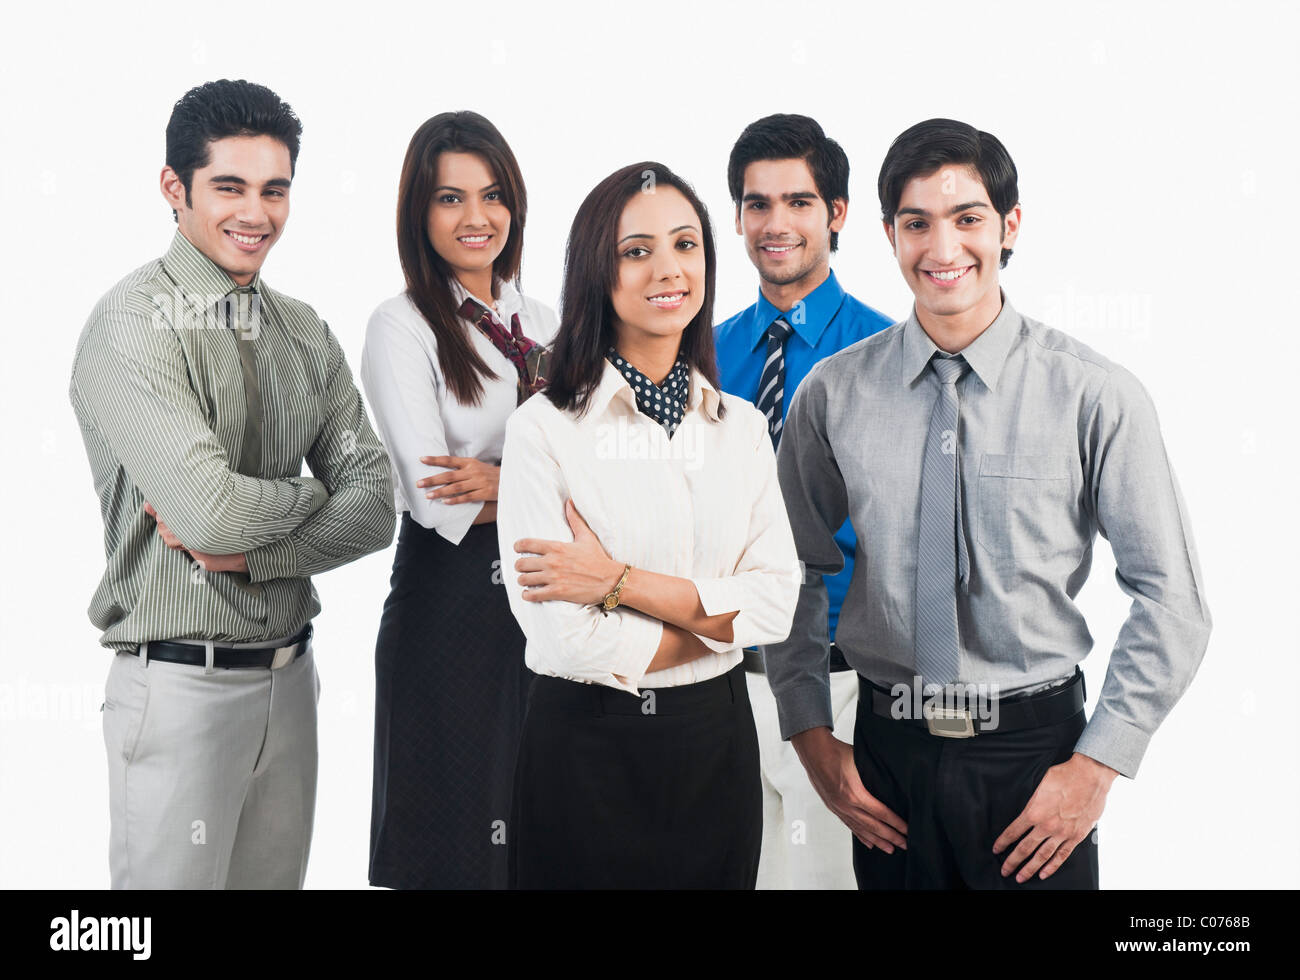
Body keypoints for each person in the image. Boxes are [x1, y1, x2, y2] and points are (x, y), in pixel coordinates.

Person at [765, 118, 1211, 890]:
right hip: (887, 763)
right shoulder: (830, 395)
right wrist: (807, 733)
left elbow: (1174, 600)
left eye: (967, 219)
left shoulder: (1093, 395)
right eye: (917, 223)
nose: (943, 250)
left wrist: (1098, 765)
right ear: (888, 234)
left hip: (1034, 764)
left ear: (1008, 226)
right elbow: (787, 570)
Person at [68, 79, 395, 889]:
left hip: (292, 687)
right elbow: (206, 514)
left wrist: (253, 555)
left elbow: (378, 504)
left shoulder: (304, 331)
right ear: (174, 189)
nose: (257, 213)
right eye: (230, 188)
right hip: (180, 688)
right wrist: (314, 495)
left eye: (275, 189)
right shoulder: (132, 323)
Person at [495, 162, 801, 889]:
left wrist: (614, 582)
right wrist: (711, 624)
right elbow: (561, 636)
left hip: (717, 750)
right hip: (584, 752)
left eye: (686, 244)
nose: (668, 269)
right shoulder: (544, 431)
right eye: (637, 251)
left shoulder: (744, 430)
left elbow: (777, 604)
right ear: (597, 270)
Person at [360, 111, 557, 890]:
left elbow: (600, 482)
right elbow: (438, 495)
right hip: (449, 607)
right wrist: (547, 486)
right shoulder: (400, 326)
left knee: (541, 829)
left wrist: (508, 482)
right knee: (451, 845)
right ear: (419, 211)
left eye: (493, 195)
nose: (477, 219)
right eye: (450, 199)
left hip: (547, 589)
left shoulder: (546, 320)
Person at [714, 113, 892, 889]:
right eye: (757, 204)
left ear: (837, 215)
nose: (775, 223)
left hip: (841, 677)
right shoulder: (701, 350)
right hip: (717, 672)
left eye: (798, 202)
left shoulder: (886, 355)